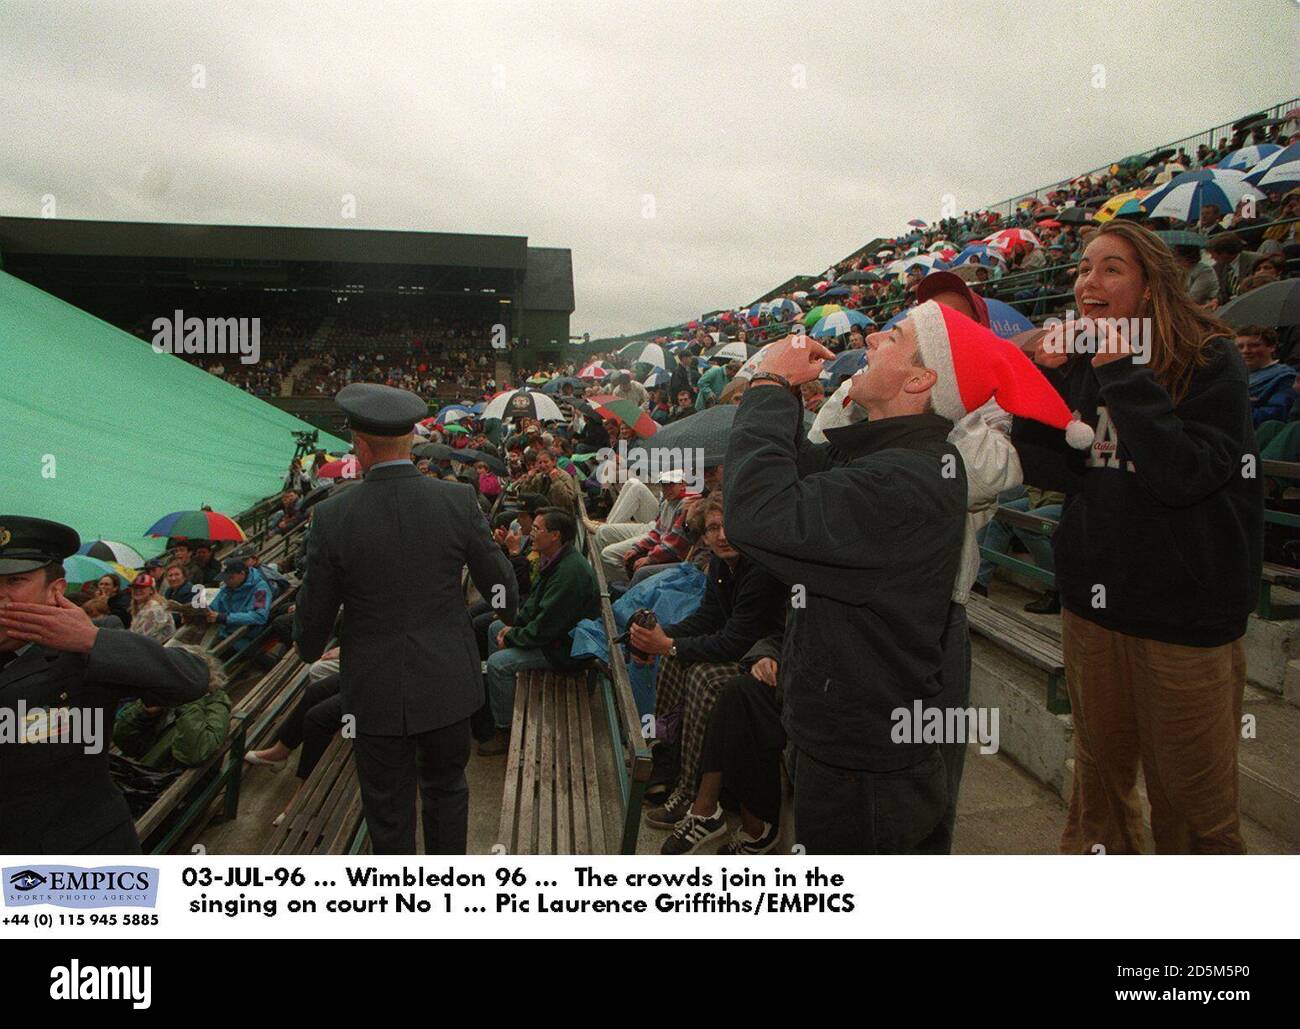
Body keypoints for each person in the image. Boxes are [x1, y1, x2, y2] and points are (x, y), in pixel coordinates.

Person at [724, 301, 1088, 854]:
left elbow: (759, 514)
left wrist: (770, 383)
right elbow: (797, 469)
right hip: (847, 745)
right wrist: (786, 392)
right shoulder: (892, 457)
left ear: (920, 378)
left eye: (891, 338)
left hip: (864, 766)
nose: (870, 340)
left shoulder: (907, 478)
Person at [1012, 219, 1262, 854]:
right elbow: (1055, 473)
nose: (1088, 281)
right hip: (1095, 605)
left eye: (1110, 268)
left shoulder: (1210, 358)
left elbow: (1183, 476)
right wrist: (1041, 391)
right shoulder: (1090, 355)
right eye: (1083, 268)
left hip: (1185, 613)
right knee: (1098, 788)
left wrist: (1118, 368)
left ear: (1150, 286)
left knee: (1194, 809)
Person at [294, 383, 517, 854]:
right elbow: (501, 588)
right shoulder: (456, 501)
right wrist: (506, 613)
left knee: (388, 811)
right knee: (447, 792)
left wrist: (312, 646)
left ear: (359, 444)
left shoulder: (332, 516)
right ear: (411, 439)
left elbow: (312, 623)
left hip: (375, 693)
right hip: (448, 686)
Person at [0, 516, 210, 853]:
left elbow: (192, 679)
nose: (1, 595)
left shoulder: (81, 655)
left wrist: (93, 640)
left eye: (14, 580)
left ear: (55, 590)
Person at [628, 493, 786, 850]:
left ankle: (694, 793)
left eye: (728, 525)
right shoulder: (719, 565)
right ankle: (669, 761)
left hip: (767, 658)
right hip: (743, 651)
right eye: (713, 528)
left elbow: (735, 640)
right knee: (673, 659)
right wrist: (664, 635)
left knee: (703, 676)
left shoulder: (758, 568)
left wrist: (667, 643)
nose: (722, 535)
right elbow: (708, 618)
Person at [480, 507, 600, 755]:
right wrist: (514, 625)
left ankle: (505, 730)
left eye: (536, 529)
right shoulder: (556, 558)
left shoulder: (570, 573)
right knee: (494, 627)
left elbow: (546, 628)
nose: (529, 533)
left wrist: (513, 635)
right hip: (552, 636)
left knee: (497, 664)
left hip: (565, 650)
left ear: (555, 535)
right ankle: (504, 700)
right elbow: (535, 604)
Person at [114, 650, 230, 770]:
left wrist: (188, 700)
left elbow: (193, 755)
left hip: (179, 780)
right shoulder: (163, 694)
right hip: (149, 772)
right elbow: (124, 743)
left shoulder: (215, 703)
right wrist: (143, 713)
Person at [1238, 325, 1296, 426]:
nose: (1245, 351)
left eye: (1254, 345)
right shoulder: (1232, 376)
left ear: (1272, 347)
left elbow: (1276, 416)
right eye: (1240, 347)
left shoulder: (1285, 378)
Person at [206, 559, 272, 649]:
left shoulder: (261, 589)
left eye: (230, 578)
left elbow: (259, 616)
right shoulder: (227, 587)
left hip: (243, 637)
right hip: (223, 632)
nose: (226, 581)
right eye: (224, 578)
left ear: (242, 574)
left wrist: (225, 617)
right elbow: (214, 606)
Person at [126, 573, 175, 643]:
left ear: (151, 590)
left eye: (142, 587)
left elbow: (142, 638)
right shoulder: (141, 606)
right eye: (135, 587)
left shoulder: (155, 609)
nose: (137, 590)